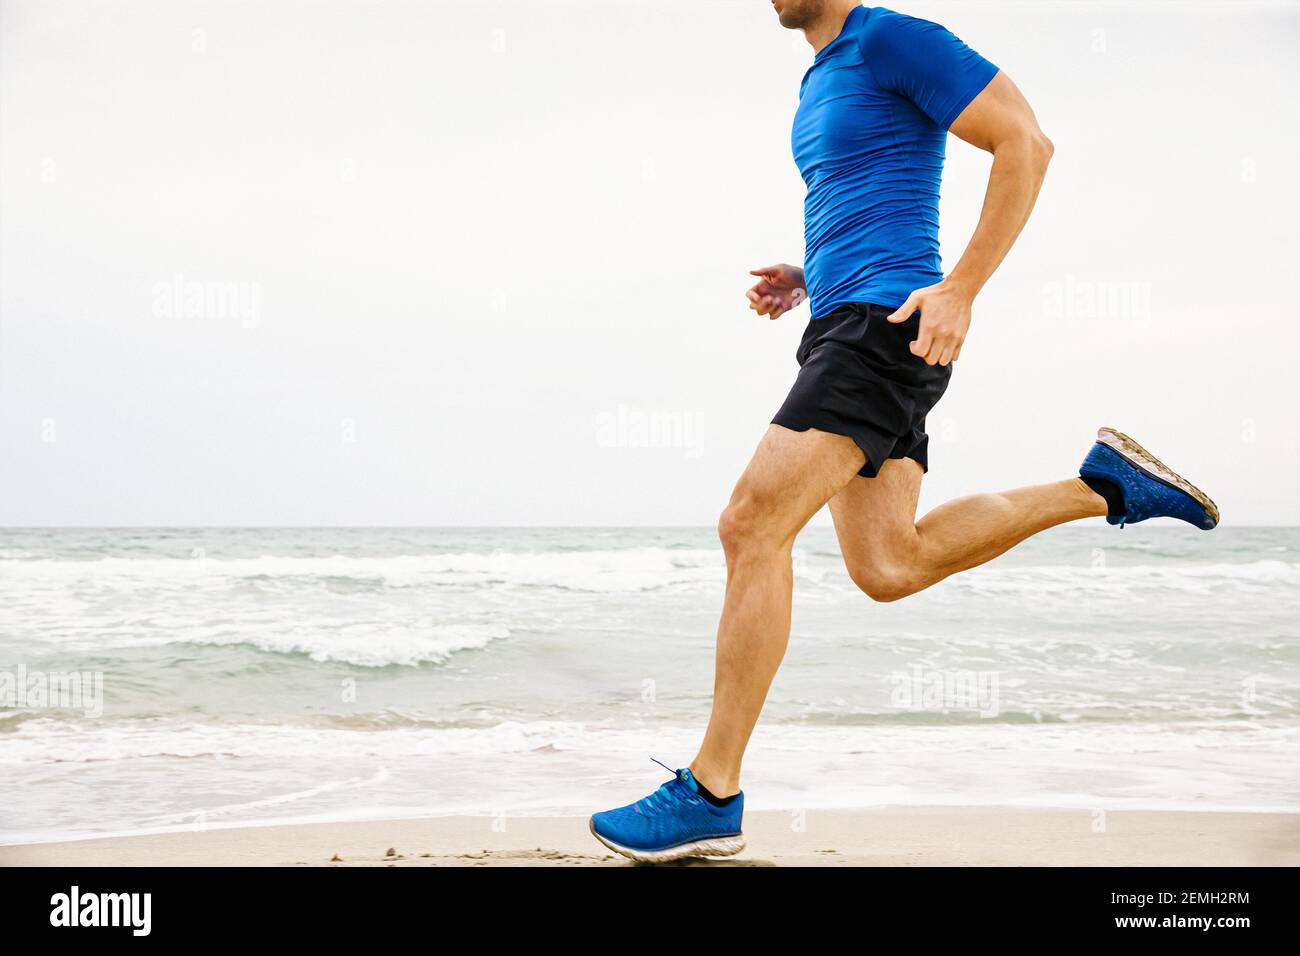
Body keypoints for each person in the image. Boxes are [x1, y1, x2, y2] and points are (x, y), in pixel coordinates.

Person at [588, 1, 1219, 864]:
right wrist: (811, 275)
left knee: (750, 525)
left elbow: (1026, 143)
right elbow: (881, 191)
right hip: (851, 322)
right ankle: (1105, 484)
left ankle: (712, 789)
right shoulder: (821, 74)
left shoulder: (890, 36)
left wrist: (962, 288)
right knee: (889, 565)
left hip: (885, 331)